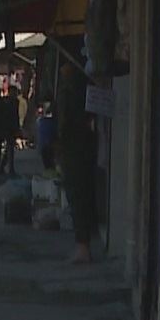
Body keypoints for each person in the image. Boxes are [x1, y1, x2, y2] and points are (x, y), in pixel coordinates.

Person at [57, 64, 98, 264]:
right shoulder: (86, 98)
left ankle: (83, 247)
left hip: (75, 152)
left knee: (78, 197)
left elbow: (63, 124)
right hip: (84, 151)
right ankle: (83, 244)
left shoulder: (72, 96)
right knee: (82, 196)